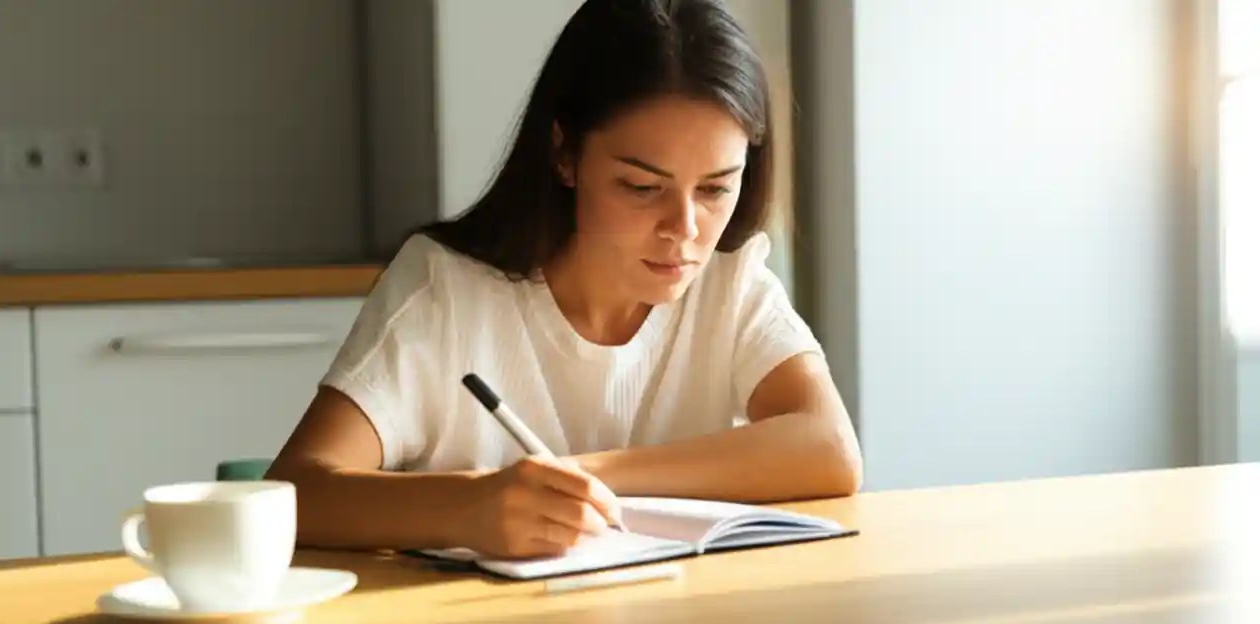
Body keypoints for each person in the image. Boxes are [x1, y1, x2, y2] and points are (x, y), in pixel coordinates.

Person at [269, 0, 862, 559]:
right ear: (564, 155)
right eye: (642, 187)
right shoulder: (443, 290)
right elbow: (296, 492)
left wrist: (586, 476)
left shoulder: (729, 281)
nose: (684, 229)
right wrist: (469, 507)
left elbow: (829, 448)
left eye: (715, 188)